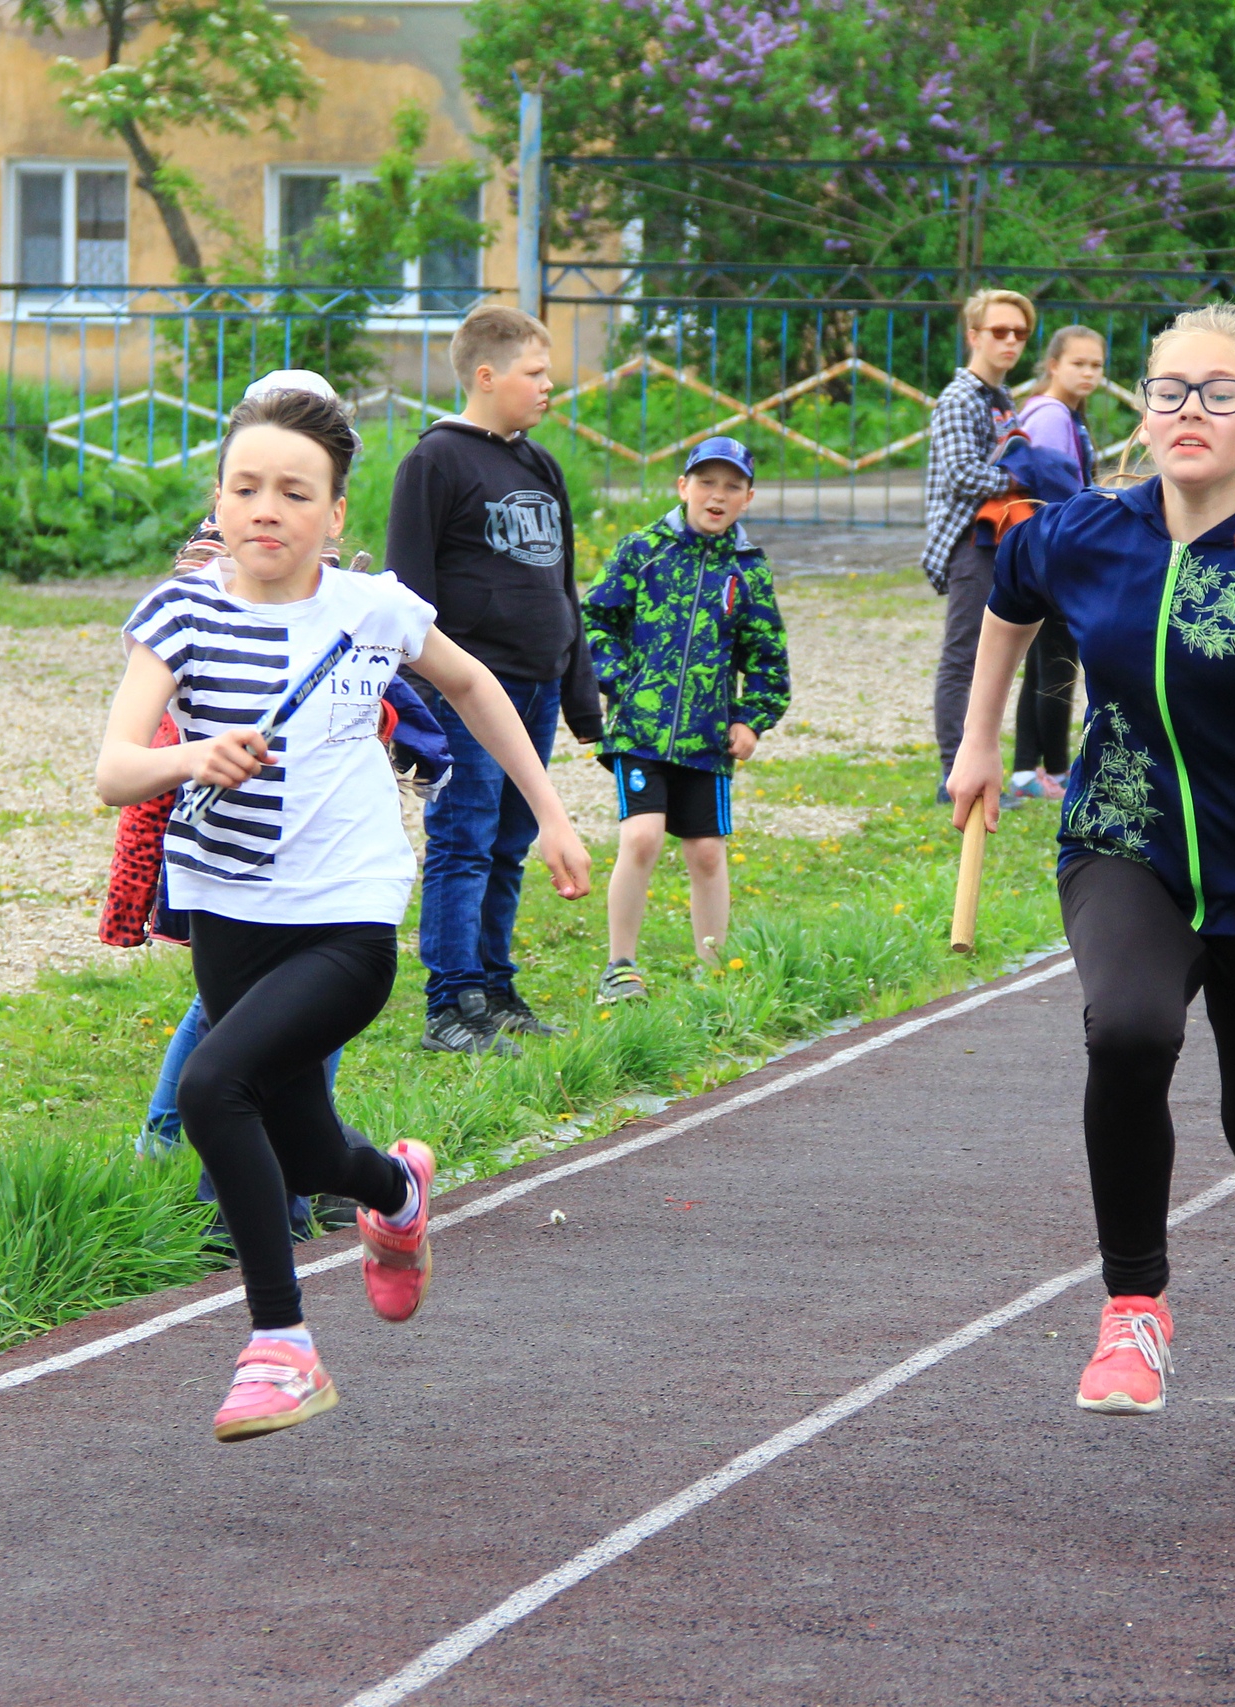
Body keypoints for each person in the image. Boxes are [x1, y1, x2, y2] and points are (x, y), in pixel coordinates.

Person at [947, 303, 1235, 1464]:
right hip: (1123, 838)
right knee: (1130, 1030)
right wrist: (978, 742)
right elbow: (1009, 593)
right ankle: (1133, 1310)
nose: (1187, 411)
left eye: (1217, 393)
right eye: (1167, 390)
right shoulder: (1087, 532)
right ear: (1139, 413)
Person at [98, 385, 593, 1442]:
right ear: (218, 503)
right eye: (244, 488)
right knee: (305, 1140)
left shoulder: (372, 608)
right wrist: (192, 754)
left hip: (349, 912)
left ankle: (281, 1345)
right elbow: (113, 769)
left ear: (333, 514)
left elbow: (470, 688)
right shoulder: (178, 614)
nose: (264, 509)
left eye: (293, 492)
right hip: (229, 904)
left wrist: (549, 813)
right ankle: (395, 1190)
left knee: (212, 1085)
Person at [385, 303, 604, 1055]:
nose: (549, 386)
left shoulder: (540, 464)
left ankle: (495, 987)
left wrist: (581, 696)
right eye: (535, 373)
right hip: (470, 691)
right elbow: (407, 598)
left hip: (538, 687)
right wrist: (418, 696)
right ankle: (450, 1002)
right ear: (486, 375)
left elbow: (563, 587)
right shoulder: (435, 462)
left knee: (511, 839)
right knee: (464, 838)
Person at [583, 436, 790, 1003]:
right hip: (640, 732)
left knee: (705, 851)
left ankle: (712, 971)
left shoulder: (748, 570)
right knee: (643, 837)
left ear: (748, 498)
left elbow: (768, 657)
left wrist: (751, 719)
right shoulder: (642, 549)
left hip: (707, 740)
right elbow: (595, 618)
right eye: (706, 483)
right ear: (683, 487)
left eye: (731, 487)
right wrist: (620, 678)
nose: (716, 496)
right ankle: (620, 966)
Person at [922, 288, 1034, 796]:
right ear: (973, 336)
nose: (1010, 341)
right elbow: (961, 475)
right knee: (964, 657)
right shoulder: (960, 397)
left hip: (997, 538)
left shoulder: (1000, 398)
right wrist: (1025, 479)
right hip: (970, 539)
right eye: (999, 331)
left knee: (989, 654)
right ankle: (953, 774)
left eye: (1019, 333)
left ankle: (972, 765)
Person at [1009, 326, 1104, 801]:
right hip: (1057, 555)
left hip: (1041, 554)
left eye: (1096, 365)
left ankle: (1027, 771)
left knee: (1042, 666)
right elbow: (1057, 495)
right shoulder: (1050, 417)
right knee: (1059, 665)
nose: (1088, 373)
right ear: (1053, 366)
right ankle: (1060, 773)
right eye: (1078, 364)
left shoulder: (1056, 412)